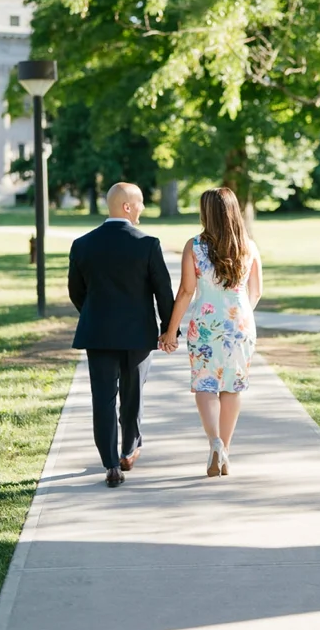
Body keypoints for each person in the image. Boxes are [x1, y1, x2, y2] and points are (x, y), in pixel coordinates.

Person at [67, 182, 176, 487]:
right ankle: (129, 451)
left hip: (98, 333)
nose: (142, 208)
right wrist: (169, 329)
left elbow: (77, 293)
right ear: (127, 206)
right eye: (140, 202)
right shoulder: (148, 244)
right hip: (138, 334)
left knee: (102, 398)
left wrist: (95, 315)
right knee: (133, 394)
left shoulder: (83, 244)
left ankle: (111, 464)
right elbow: (163, 293)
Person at [160, 187, 262, 477]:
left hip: (205, 325)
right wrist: (241, 319)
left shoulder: (195, 246)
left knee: (205, 386)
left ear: (206, 213)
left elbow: (185, 292)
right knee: (231, 388)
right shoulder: (249, 247)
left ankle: (215, 442)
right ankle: (225, 450)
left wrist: (170, 332)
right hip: (240, 325)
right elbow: (256, 291)